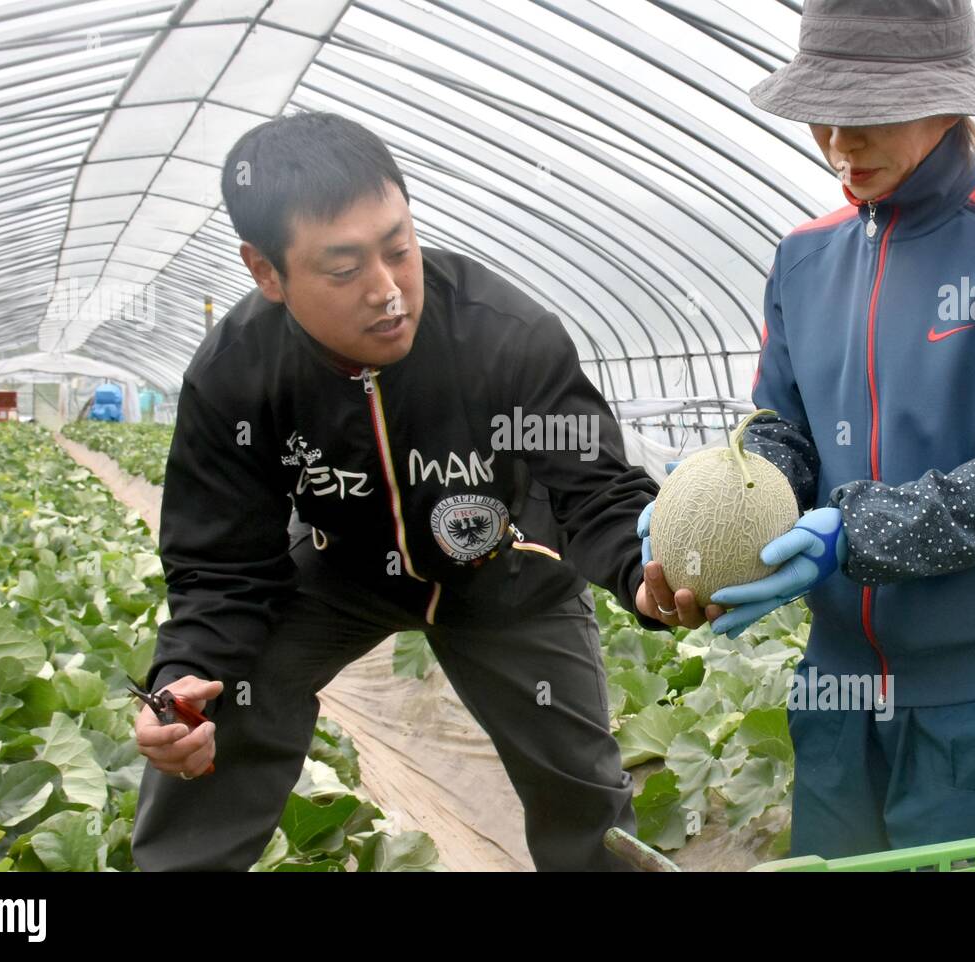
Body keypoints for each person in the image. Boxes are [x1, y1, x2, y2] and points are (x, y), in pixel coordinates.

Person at [129, 111, 713, 872]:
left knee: (581, 791)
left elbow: (595, 490)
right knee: (222, 699)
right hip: (343, 569)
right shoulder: (236, 372)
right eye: (343, 271)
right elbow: (221, 571)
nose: (388, 292)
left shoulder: (502, 333)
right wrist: (179, 680)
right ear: (266, 272)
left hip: (505, 570)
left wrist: (647, 577)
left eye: (398, 249)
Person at [640, 0, 975, 858]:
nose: (840, 146)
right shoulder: (804, 257)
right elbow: (785, 434)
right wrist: (715, 503)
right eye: (824, 117)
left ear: (947, 99)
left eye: (867, 118)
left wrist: (853, 534)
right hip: (835, 704)